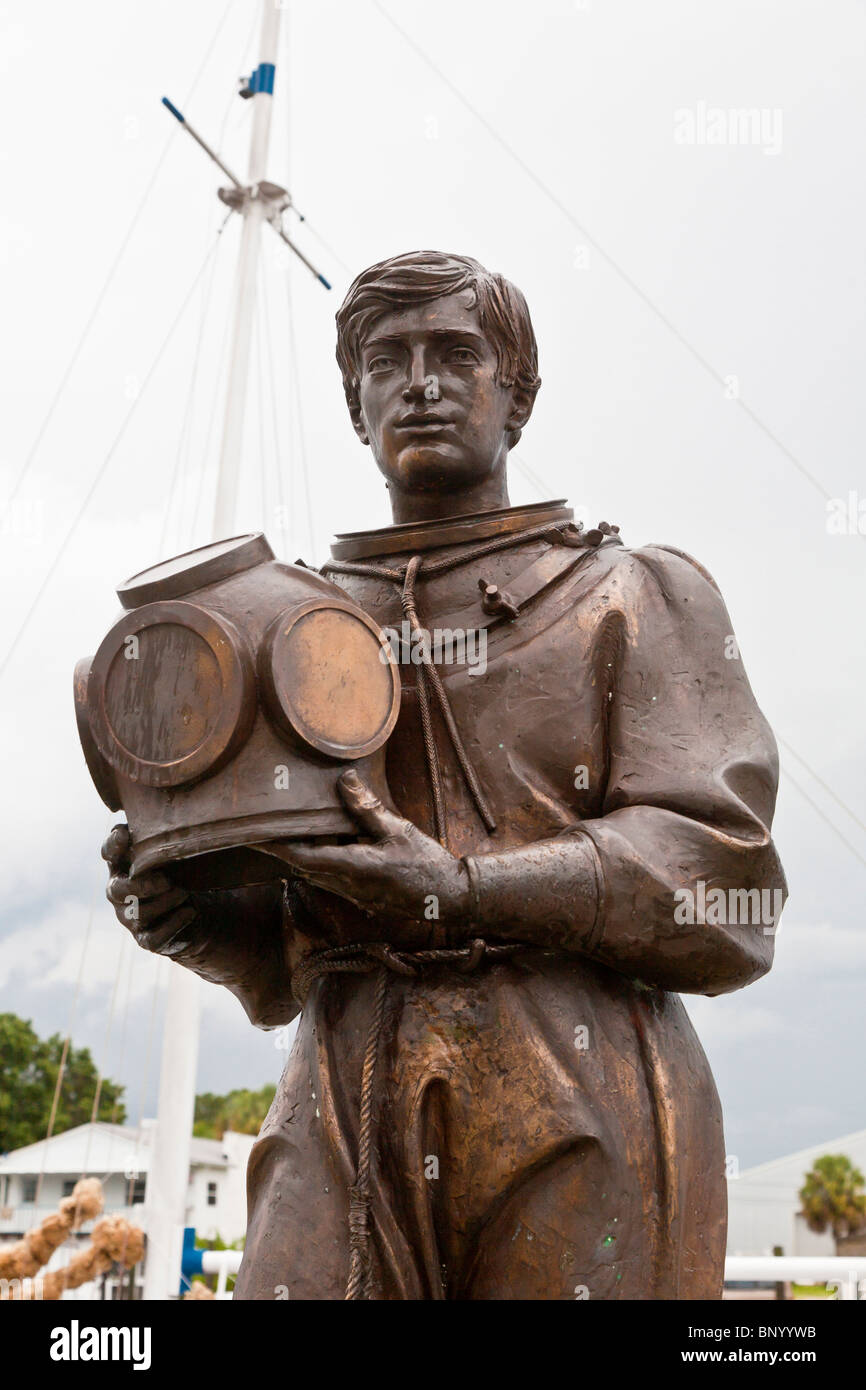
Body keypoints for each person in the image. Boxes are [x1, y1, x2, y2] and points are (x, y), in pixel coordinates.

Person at [104, 250, 786, 1300]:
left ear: (517, 396)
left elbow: (721, 886)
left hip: (578, 1089)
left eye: (455, 354)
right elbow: (282, 963)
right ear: (353, 398)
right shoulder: (286, 628)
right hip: (343, 1092)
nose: (418, 382)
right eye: (386, 360)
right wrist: (198, 921)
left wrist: (464, 891)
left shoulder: (628, 594)